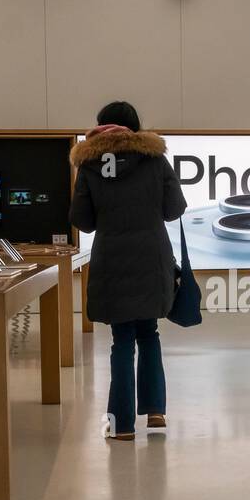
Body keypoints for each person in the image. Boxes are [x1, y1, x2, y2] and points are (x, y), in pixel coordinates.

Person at [70, 100, 187, 441]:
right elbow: (174, 209)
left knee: (121, 340)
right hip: (151, 256)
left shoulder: (89, 162)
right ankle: (155, 412)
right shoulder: (154, 158)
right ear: (136, 126)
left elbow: (83, 221)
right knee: (149, 334)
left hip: (111, 258)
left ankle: (121, 425)